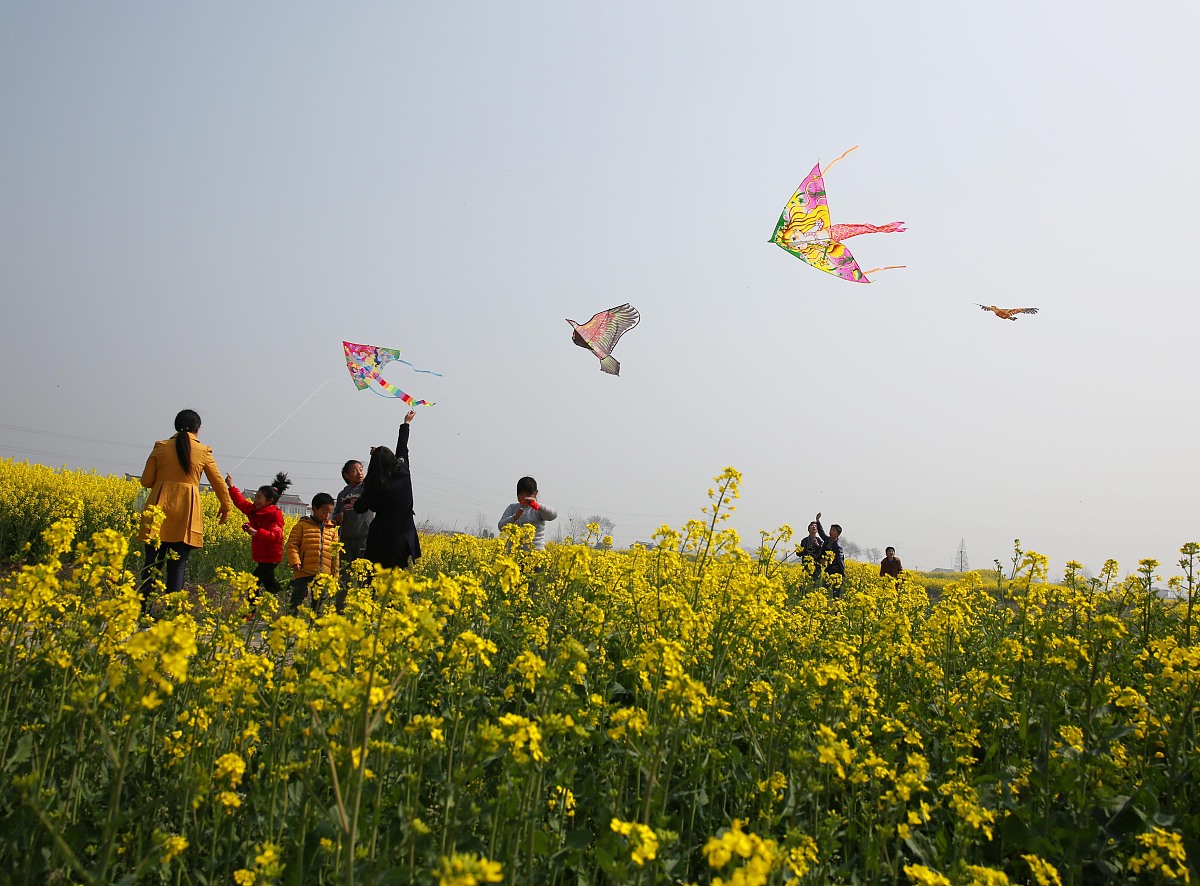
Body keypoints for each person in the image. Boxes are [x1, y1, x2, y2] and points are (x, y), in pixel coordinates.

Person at [137, 409, 231, 612]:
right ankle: (172, 613)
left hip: (158, 509)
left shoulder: (161, 446)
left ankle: (142, 611)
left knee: (151, 564)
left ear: (176, 426)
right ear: (198, 429)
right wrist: (226, 506)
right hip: (186, 511)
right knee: (178, 564)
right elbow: (218, 482)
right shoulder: (204, 451)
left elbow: (146, 480)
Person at [355, 410, 421, 569]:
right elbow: (402, 448)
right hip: (404, 539)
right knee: (398, 580)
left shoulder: (376, 483)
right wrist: (406, 423)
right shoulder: (403, 470)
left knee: (376, 579)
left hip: (381, 539)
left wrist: (371, 470)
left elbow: (359, 507)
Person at [225, 471, 291, 609]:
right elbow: (240, 502)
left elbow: (276, 537)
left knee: (252, 582)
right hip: (262, 555)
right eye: (255, 497)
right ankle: (298, 585)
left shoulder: (274, 515)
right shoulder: (254, 510)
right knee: (272, 587)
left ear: (269, 501)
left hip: (272, 556)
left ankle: (251, 612)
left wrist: (255, 532)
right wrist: (230, 486)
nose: (255, 500)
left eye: (259, 497)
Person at [286, 493, 339, 612]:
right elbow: (292, 545)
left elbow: (335, 555)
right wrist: (295, 561)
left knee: (320, 600)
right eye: (324, 512)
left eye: (329, 513)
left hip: (323, 573)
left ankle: (316, 621)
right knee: (297, 597)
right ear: (314, 509)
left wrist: (335, 574)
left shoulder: (332, 530)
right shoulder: (302, 526)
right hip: (303, 570)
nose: (327, 515)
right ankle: (291, 620)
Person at [497, 476, 558, 551]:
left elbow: (553, 515)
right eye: (521, 494)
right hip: (514, 553)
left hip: (536, 552)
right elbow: (501, 527)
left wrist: (538, 506)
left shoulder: (538, 509)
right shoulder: (512, 508)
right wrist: (514, 518)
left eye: (528, 495)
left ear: (535, 494)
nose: (524, 498)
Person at [334, 459, 372, 568]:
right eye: (355, 471)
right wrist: (337, 518)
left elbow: (374, 477)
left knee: (363, 569)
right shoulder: (342, 494)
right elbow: (335, 514)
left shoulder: (367, 489)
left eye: (361, 469)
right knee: (345, 568)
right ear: (347, 475)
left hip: (364, 535)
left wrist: (374, 457)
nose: (360, 473)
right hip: (346, 537)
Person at [814, 512, 845, 588]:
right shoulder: (827, 540)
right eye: (830, 530)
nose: (831, 531)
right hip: (827, 570)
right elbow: (821, 532)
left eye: (833, 530)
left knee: (836, 591)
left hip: (836, 571)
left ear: (838, 534)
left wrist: (842, 574)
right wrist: (817, 521)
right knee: (823, 589)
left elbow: (839, 561)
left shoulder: (838, 547)